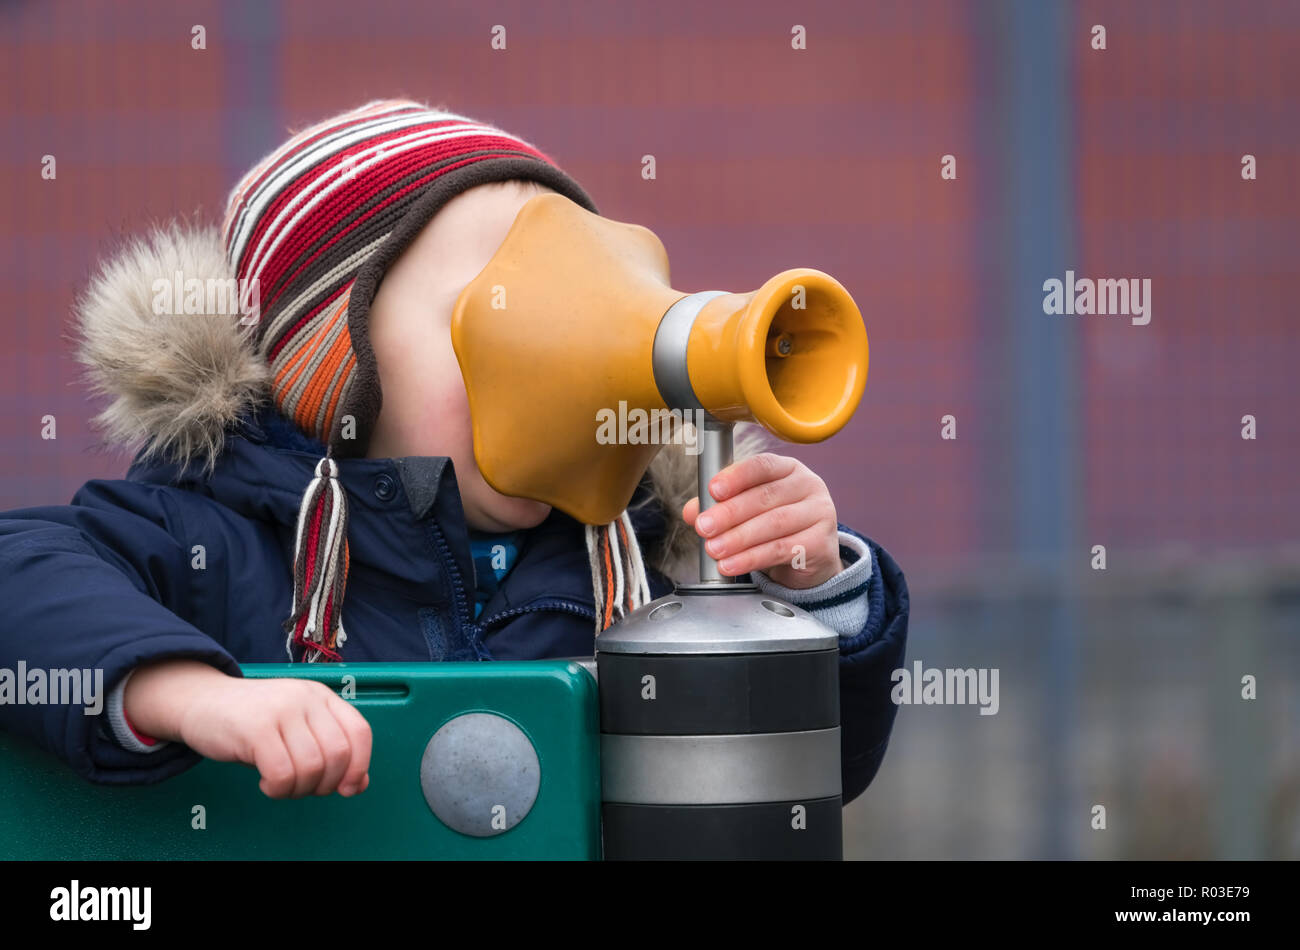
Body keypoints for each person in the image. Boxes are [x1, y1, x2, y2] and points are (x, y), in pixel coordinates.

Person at [0, 100, 909, 805]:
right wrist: (193, 695)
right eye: (493, 320)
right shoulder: (208, 534)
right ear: (331, 364)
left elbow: (809, 781)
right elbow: (18, 578)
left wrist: (809, 595)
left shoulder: (638, 570)